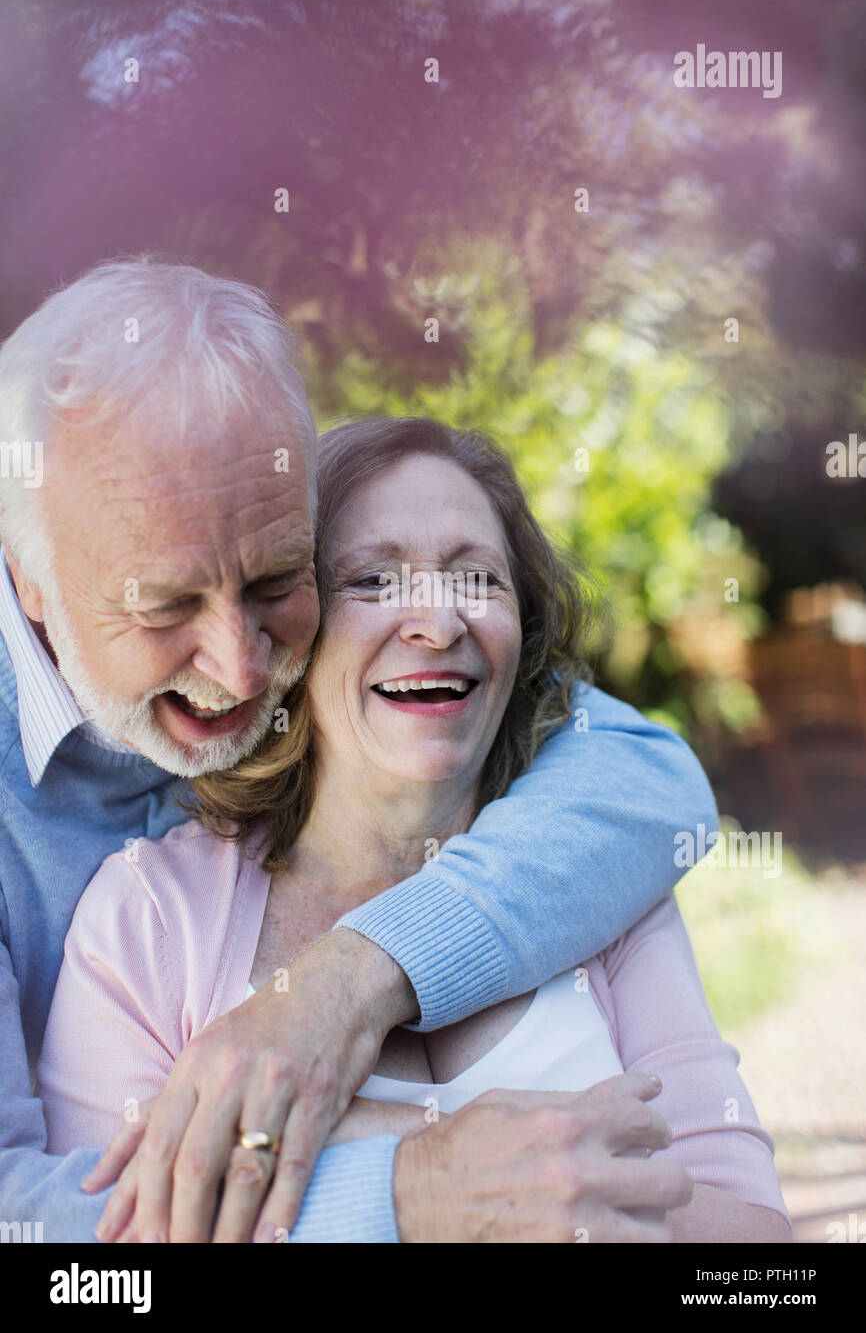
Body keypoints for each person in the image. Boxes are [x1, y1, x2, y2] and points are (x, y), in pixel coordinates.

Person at [0, 257, 717, 1244]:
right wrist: (401, 1192)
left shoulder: (373, 686)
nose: (245, 670)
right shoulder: (140, 919)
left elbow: (649, 777)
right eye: (164, 605)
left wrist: (345, 984)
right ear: (25, 575)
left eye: (275, 580)